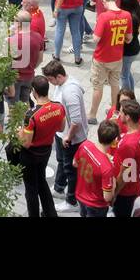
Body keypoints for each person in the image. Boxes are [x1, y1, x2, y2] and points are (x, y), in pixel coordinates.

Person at [16, 74, 64, 218]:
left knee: (31, 188)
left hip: (30, 155)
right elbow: (61, 129)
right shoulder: (58, 107)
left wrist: (18, 132)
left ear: (34, 92)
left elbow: (26, 143)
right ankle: (50, 213)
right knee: (41, 181)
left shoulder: (31, 115)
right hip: (46, 151)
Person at [44, 58, 88, 209]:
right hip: (62, 134)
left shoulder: (70, 92)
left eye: (51, 79)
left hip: (71, 139)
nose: (50, 82)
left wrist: (68, 137)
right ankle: (59, 187)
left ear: (59, 76)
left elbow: (76, 121)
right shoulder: (61, 84)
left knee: (71, 169)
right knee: (62, 162)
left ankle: (71, 200)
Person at [73, 119, 120, 217]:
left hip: (80, 196)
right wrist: (114, 182)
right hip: (96, 205)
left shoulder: (85, 145)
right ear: (114, 141)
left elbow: (75, 164)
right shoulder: (107, 167)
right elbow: (107, 197)